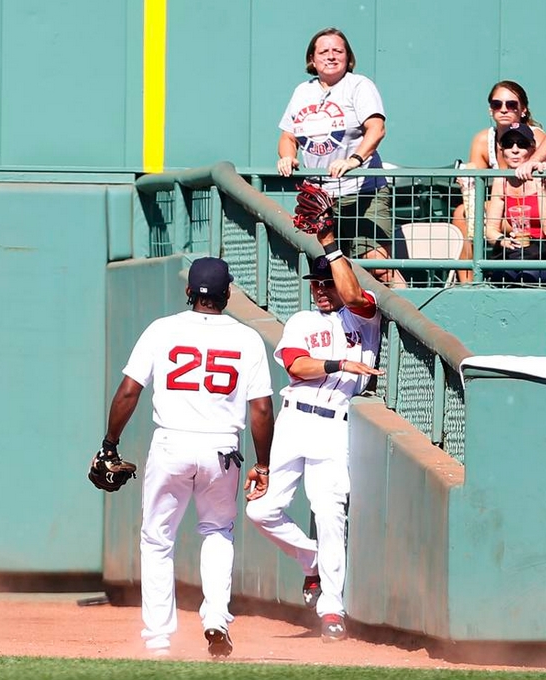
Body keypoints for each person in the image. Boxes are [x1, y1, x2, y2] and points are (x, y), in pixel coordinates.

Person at [100, 256, 275, 658]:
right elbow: (262, 410)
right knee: (217, 532)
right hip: (222, 448)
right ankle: (216, 618)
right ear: (227, 293)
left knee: (158, 539)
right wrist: (263, 464)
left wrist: (110, 442)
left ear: (188, 293)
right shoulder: (246, 338)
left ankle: (159, 639)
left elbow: (129, 391)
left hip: (172, 444)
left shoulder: (163, 329)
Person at [244, 225, 384, 642]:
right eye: (315, 283)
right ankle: (312, 563)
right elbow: (296, 367)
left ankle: (332, 611)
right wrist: (339, 365)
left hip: (334, 425)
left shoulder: (363, 313)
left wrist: (330, 248)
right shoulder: (303, 320)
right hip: (294, 420)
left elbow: (355, 296)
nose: (321, 289)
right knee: (260, 511)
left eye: (327, 282)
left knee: (330, 515)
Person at [277, 27, 406, 288]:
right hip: (319, 197)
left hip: (361, 192)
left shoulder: (359, 85)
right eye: (324, 51)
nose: (331, 56)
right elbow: (288, 136)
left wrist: (354, 160)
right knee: (330, 270)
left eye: (338, 50)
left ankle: (411, 321)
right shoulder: (303, 91)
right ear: (312, 59)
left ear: (348, 57)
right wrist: (288, 157)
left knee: (378, 267)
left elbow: (376, 129)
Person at [453, 80, 546, 283]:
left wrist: (535, 162)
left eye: (511, 105)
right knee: (462, 213)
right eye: (497, 104)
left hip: (531, 207)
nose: (504, 109)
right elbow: (475, 185)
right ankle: (468, 283)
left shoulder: (535, 136)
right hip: (502, 202)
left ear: (523, 110)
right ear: (490, 109)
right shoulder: (483, 139)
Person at [483, 123, 546, 285]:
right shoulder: (501, 180)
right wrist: (503, 240)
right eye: (508, 144)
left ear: (532, 149)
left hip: (542, 250)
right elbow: (490, 229)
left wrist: (541, 189)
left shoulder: (542, 176)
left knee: (527, 278)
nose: (515, 149)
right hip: (516, 250)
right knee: (500, 278)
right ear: (501, 150)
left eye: (522, 144)